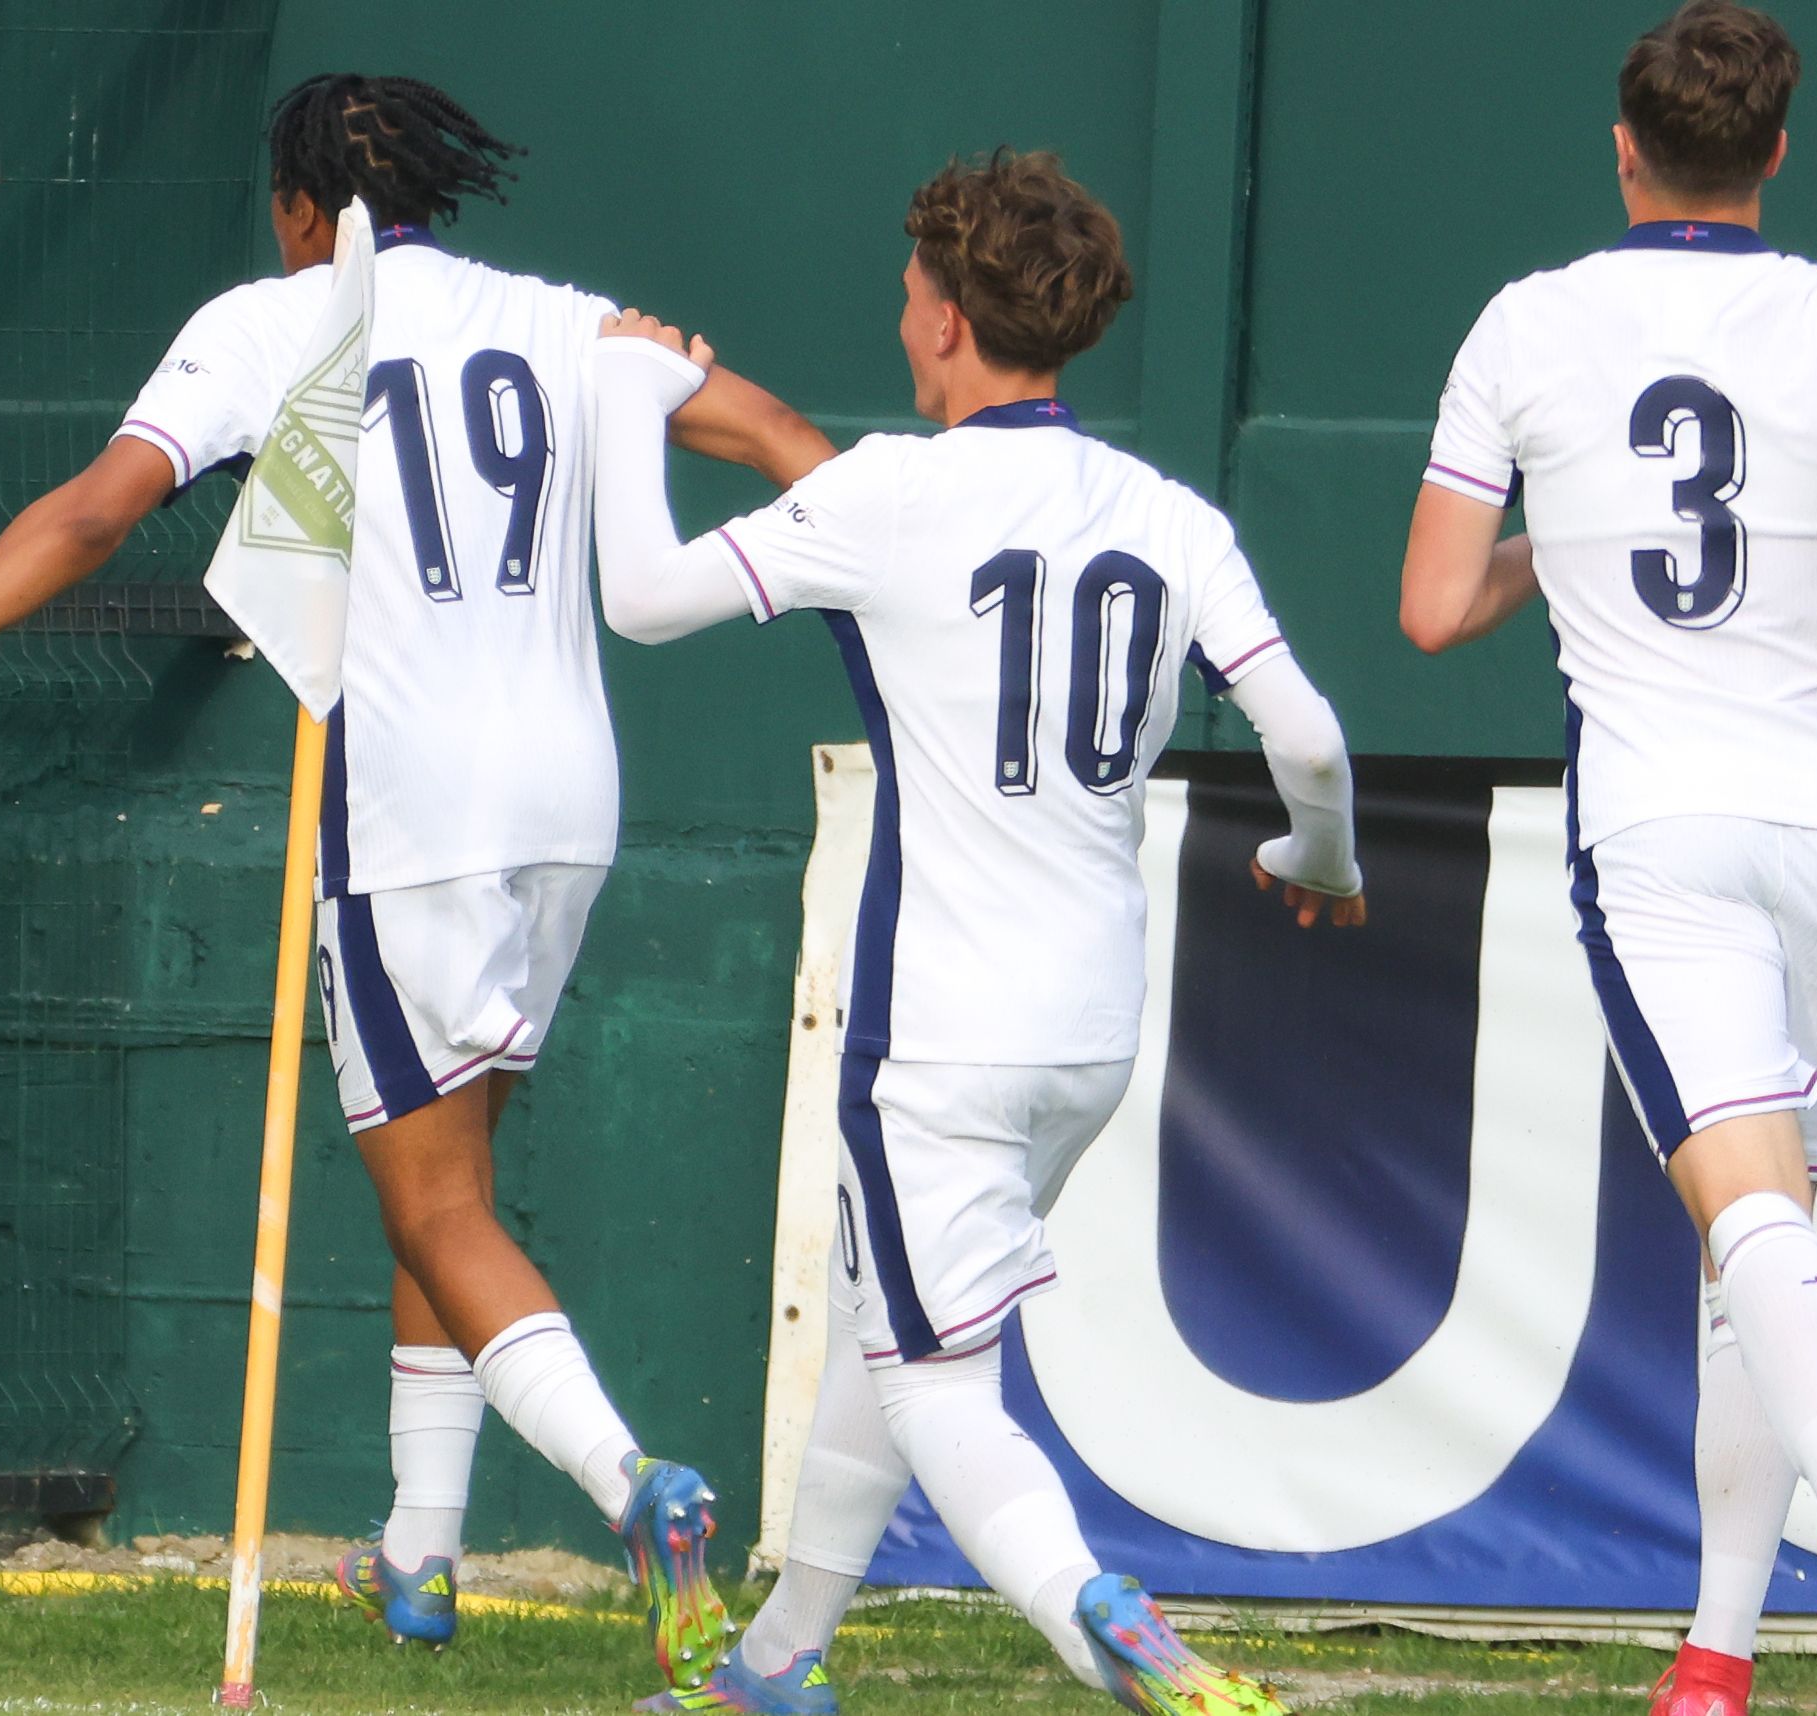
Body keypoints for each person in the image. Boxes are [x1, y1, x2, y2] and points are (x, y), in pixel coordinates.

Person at [0, 73, 832, 1691]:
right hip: (572, 802)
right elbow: (775, 439)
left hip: (414, 810)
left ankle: (635, 1489)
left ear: (296, 207)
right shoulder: (560, 318)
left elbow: (95, 512)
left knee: (437, 1201)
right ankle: (418, 1551)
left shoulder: (271, 322)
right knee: (449, 1168)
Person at [588, 148, 1350, 1716]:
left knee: (937, 1384)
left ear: (945, 317)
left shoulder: (886, 491)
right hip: (1089, 1033)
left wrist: (623, 402)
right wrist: (1315, 858)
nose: (898, 316)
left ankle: (1101, 1622)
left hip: (936, 1029)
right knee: (896, 1322)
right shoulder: (1168, 515)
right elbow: (1312, 741)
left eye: (906, 292)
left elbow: (639, 599)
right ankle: (776, 1664)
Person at [1397, 7, 1817, 1714]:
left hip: (1658, 820)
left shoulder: (1527, 322)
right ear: (1776, 153)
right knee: (1767, 1234)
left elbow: (1434, 608)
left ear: (1620, 145)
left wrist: (1558, 541)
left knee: (1745, 1222)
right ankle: (1715, 1663)